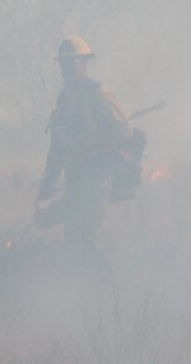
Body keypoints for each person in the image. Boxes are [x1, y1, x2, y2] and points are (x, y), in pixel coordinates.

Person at [35, 36, 133, 260]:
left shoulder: (98, 94)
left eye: (73, 63)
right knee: (72, 238)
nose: (67, 69)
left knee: (86, 237)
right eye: (64, 64)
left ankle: (103, 277)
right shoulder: (64, 100)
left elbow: (123, 129)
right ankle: (81, 276)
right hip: (74, 178)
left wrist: (89, 144)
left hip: (96, 178)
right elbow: (57, 146)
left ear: (84, 63)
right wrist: (48, 183)